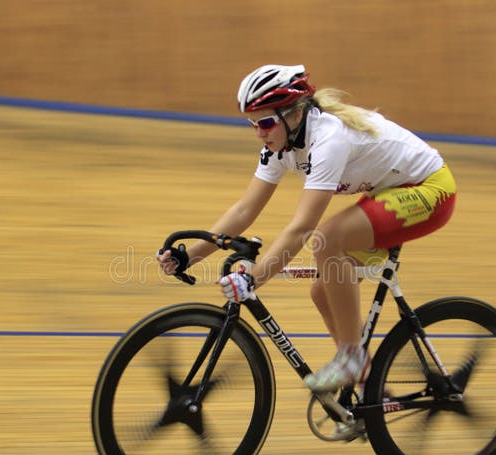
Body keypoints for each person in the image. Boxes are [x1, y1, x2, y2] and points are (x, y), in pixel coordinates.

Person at [157, 64, 456, 393]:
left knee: (326, 240)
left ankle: (352, 357)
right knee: (324, 290)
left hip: (431, 192)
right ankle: (369, 391)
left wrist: (253, 278)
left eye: (266, 123)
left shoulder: (329, 139)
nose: (259, 132)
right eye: (253, 124)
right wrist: (190, 256)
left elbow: (302, 229)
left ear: (294, 114)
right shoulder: (280, 146)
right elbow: (244, 209)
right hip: (389, 194)